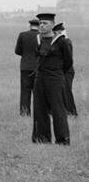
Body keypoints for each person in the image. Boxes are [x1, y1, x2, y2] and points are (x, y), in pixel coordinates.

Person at [30, 13, 71, 145]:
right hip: (40, 78)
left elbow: (68, 62)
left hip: (55, 79)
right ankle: (42, 138)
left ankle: (62, 139)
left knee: (58, 109)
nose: (42, 25)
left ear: (53, 25)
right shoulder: (38, 40)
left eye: (45, 23)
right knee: (39, 109)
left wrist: (57, 72)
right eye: (40, 23)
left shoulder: (61, 41)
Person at [14, 17, 40, 115]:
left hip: (25, 67)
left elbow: (17, 51)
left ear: (30, 25)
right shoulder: (41, 36)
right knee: (38, 92)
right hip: (38, 68)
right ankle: (38, 113)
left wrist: (26, 55)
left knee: (25, 91)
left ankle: (24, 112)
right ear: (39, 26)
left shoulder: (22, 35)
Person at [53, 21, 76, 118]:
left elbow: (68, 59)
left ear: (58, 32)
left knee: (67, 91)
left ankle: (71, 112)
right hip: (64, 70)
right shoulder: (65, 41)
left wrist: (62, 70)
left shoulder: (66, 41)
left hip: (67, 71)